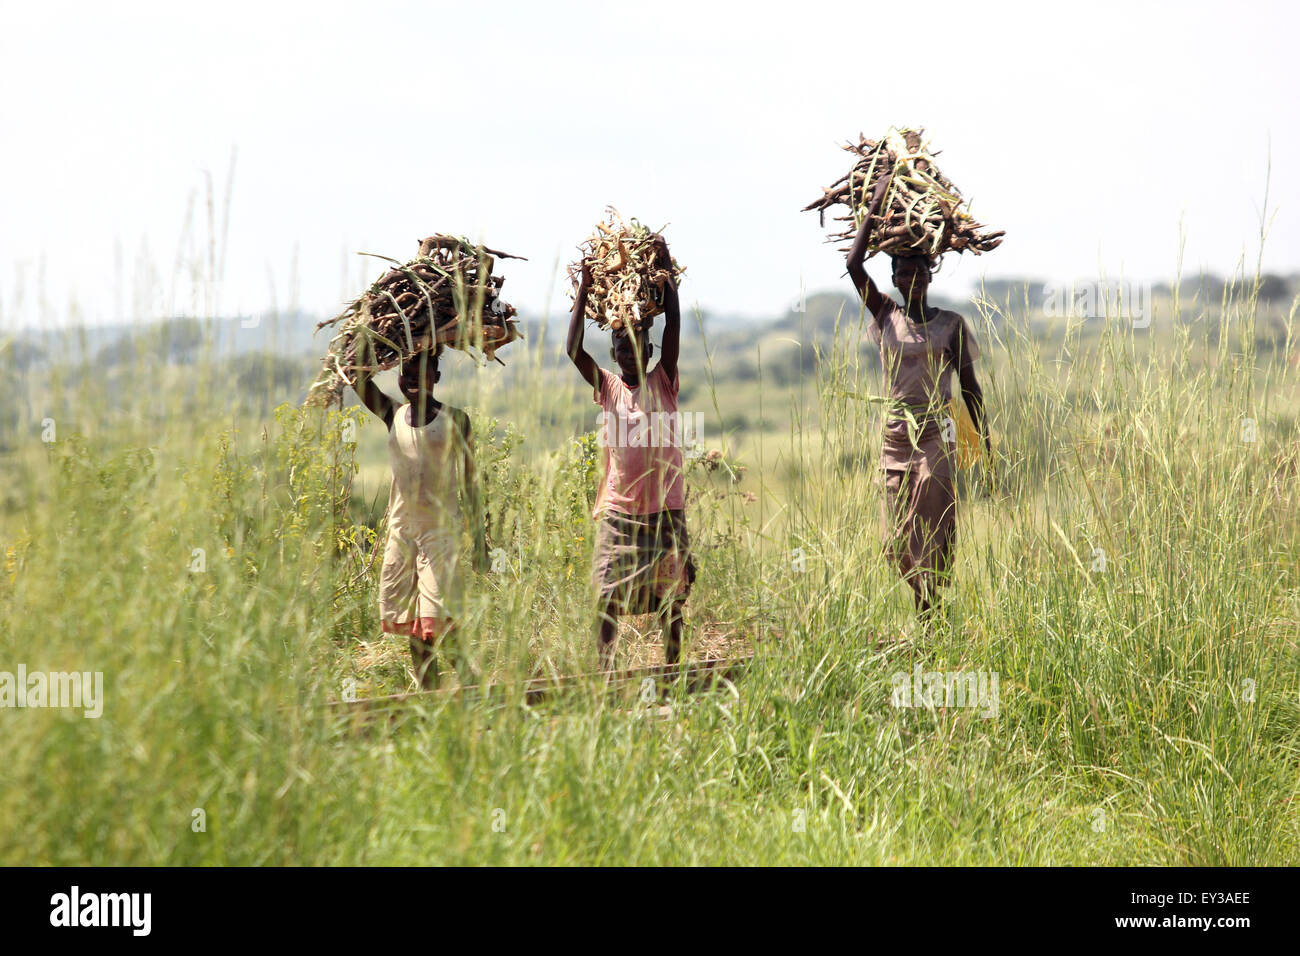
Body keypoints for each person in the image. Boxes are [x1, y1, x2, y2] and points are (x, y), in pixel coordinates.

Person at [846, 171, 991, 621]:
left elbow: (969, 386)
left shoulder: (950, 324)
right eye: (903, 272)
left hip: (936, 435)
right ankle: (929, 610)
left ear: (931, 275)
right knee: (895, 542)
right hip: (895, 436)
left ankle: (930, 621)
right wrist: (875, 202)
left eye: (919, 271)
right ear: (893, 277)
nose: (911, 278)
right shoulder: (885, 314)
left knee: (931, 530)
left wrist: (985, 441)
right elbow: (853, 266)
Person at [565, 236, 695, 672]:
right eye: (620, 347)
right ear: (613, 352)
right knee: (607, 595)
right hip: (620, 511)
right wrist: (584, 287)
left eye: (635, 345)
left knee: (671, 596)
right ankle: (605, 677)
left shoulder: (664, 380)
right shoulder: (608, 387)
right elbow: (572, 351)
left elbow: (673, 325)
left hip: (665, 510)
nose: (627, 353)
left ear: (649, 350)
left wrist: (667, 271)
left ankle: (672, 673)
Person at [352, 343, 486, 688]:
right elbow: (356, 377)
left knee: (436, 621)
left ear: (436, 377)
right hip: (402, 532)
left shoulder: (456, 420)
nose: (411, 380)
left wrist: (481, 542)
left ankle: (469, 684)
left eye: (420, 373)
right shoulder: (392, 414)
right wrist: (368, 338)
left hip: (440, 534)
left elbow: (471, 484)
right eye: (406, 373)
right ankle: (432, 696)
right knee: (415, 624)